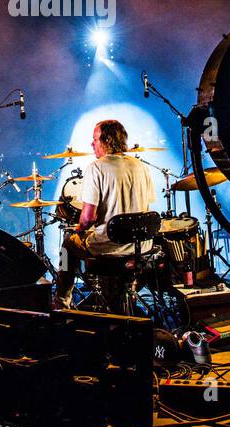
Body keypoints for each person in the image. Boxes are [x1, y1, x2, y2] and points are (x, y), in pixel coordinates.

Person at [54, 119, 156, 309]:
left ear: (107, 141)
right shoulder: (141, 166)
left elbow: (88, 219)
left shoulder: (96, 167)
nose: (91, 144)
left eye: (95, 139)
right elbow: (145, 207)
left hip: (110, 249)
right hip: (141, 247)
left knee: (68, 243)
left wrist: (79, 228)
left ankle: (61, 302)